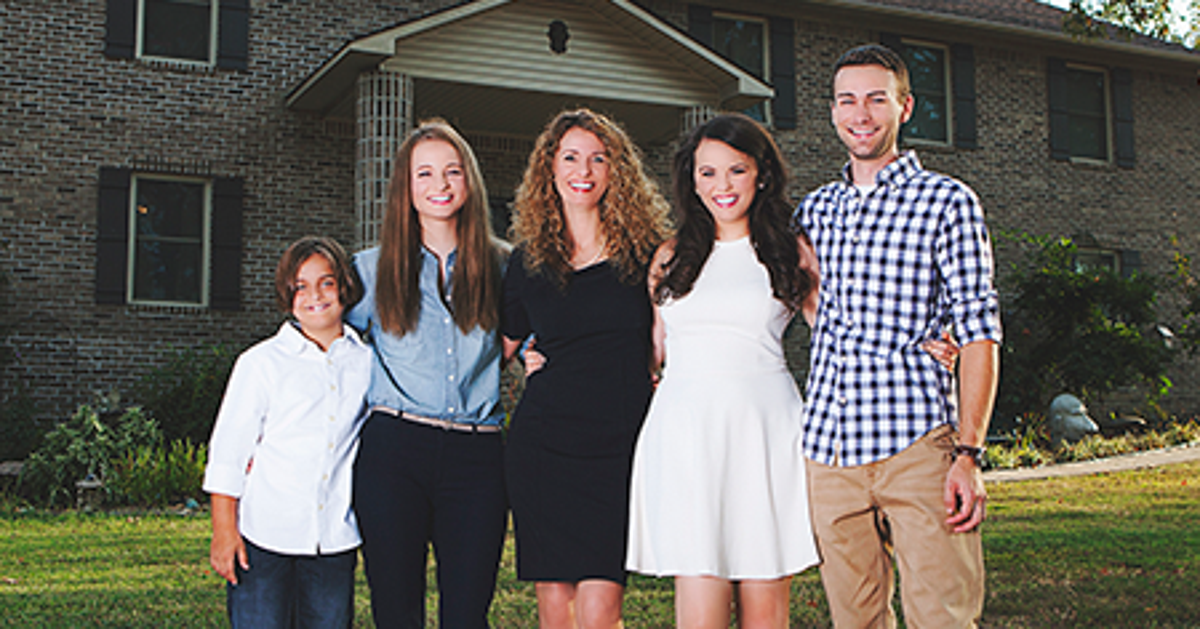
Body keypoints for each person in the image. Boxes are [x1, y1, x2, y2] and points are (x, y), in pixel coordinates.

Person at [794, 44, 1002, 628]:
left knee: (942, 615)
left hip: (917, 443)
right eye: (847, 100)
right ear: (833, 111)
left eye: (876, 100)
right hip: (828, 451)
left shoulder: (947, 202)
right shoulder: (813, 212)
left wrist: (968, 453)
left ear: (905, 107)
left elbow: (981, 328)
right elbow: (807, 305)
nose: (860, 114)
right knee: (854, 619)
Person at [625, 113, 820, 629]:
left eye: (736, 170)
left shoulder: (791, 252)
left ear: (761, 174)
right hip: (687, 436)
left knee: (764, 612)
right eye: (707, 173)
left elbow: (839, 336)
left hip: (765, 433)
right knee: (700, 613)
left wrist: (928, 343)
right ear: (691, 180)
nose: (722, 186)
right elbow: (650, 351)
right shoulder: (670, 258)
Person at [502, 108, 672, 629]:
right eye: (571, 157)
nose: (584, 170)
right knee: (557, 614)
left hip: (617, 443)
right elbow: (497, 347)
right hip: (544, 445)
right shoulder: (528, 260)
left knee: (599, 613)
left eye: (599, 159)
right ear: (549, 169)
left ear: (615, 172)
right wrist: (524, 361)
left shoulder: (648, 253)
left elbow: (671, 337)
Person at [347, 120, 508, 628]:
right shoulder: (368, 272)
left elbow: (539, 341)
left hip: (477, 457)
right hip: (394, 453)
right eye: (425, 174)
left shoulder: (505, 266)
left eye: (452, 171)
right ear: (406, 187)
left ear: (469, 181)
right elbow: (321, 354)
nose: (439, 185)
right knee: (397, 612)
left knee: (466, 615)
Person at [204, 235, 369, 629]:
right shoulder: (261, 363)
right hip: (264, 539)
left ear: (344, 287)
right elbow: (228, 453)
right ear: (287, 295)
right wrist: (224, 532)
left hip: (334, 540)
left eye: (326, 282)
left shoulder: (367, 362)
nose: (315, 295)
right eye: (301, 286)